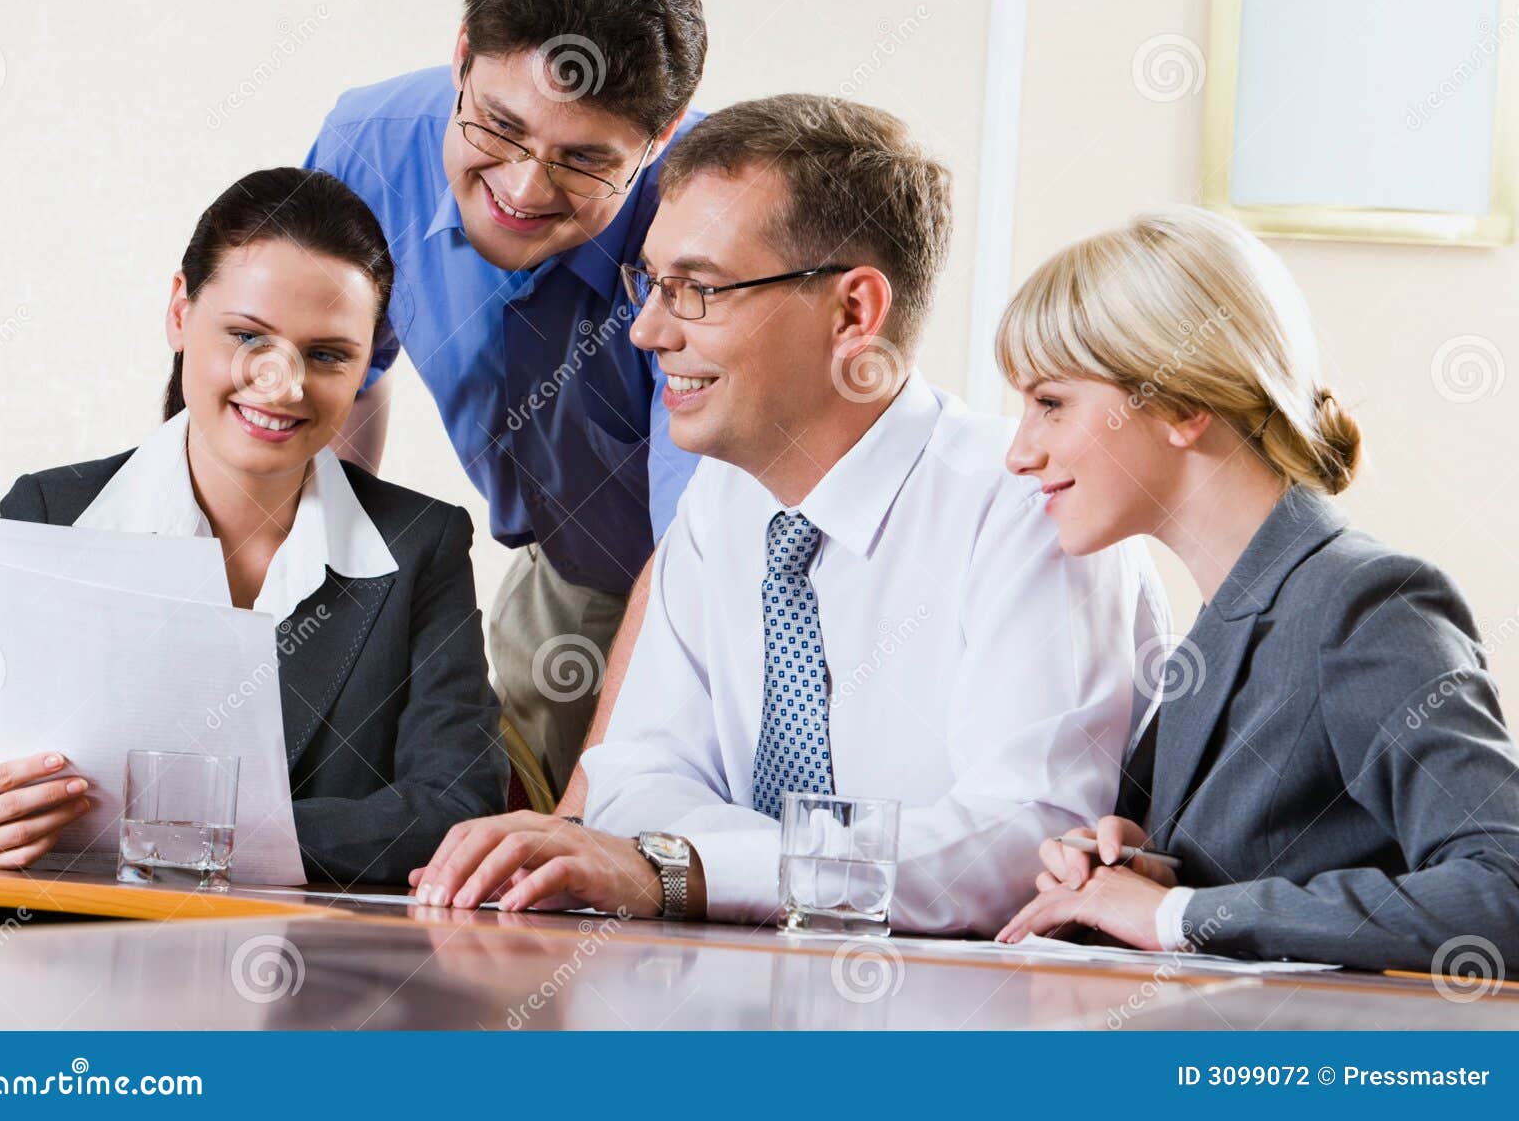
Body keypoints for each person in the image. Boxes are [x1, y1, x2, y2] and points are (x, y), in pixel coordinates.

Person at [405, 95, 1167, 934]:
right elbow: (632, 781)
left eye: (696, 288)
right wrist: (771, 866)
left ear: (853, 314)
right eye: (651, 283)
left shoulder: (1030, 504)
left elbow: (1016, 845)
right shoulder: (720, 501)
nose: (648, 330)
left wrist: (687, 865)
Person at [0, 168, 507, 885]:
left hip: (322, 974)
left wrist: (196, 837)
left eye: (328, 354)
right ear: (178, 311)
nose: (282, 384)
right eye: (247, 335)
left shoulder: (423, 542)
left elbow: (453, 808)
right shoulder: (51, 514)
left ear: (365, 364)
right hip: (72, 954)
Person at [993, 206, 1519, 972]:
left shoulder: (1366, 605)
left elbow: (1504, 888)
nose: (1019, 451)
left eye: (1050, 403)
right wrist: (1152, 868)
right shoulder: (1224, 623)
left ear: (1182, 405)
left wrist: (1181, 912)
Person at [304, 0, 708, 806]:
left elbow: (695, 557)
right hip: (557, 560)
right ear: (462, 59)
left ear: (660, 136)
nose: (523, 190)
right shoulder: (369, 145)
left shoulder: (708, 216)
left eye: (585, 159)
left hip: (711, 584)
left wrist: (578, 820)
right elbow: (334, 379)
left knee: (628, 839)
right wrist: (336, 619)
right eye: (500, 125)